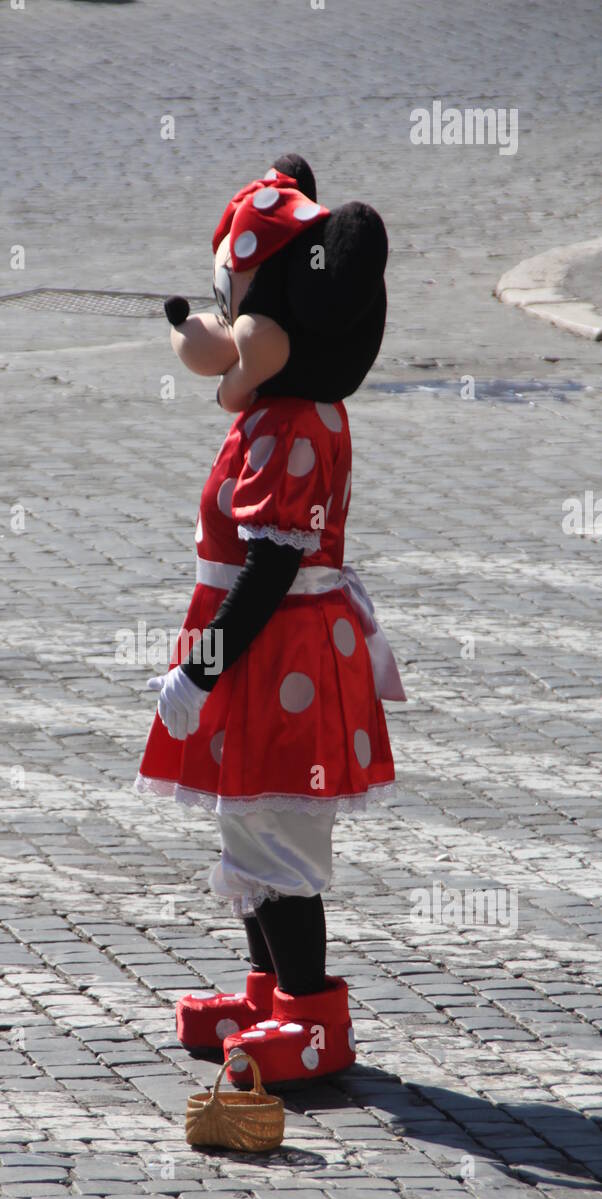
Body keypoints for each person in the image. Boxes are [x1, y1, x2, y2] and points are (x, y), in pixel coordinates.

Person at [136, 154, 406, 1088]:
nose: (213, 331)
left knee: (279, 836)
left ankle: (312, 1014)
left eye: (234, 308)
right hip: (274, 650)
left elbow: (270, 567)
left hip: (274, 651)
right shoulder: (289, 409)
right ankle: (268, 991)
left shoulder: (293, 427)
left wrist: (199, 670)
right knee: (248, 827)